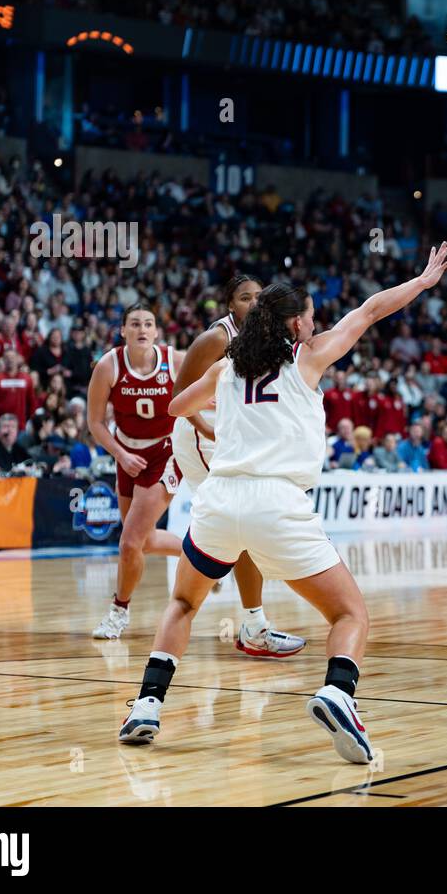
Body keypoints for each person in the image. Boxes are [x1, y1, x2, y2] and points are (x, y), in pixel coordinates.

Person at [119, 243, 447, 763]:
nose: (316, 325)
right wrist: (422, 282)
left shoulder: (226, 368)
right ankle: (338, 693)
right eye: (312, 318)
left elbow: (175, 405)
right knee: (349, 614)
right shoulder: (307, 358)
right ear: (296, 325)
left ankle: (146, 704)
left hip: (219, 500)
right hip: (278, 503)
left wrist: (221, 403)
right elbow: (369, 311)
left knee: (184, 603)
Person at [167, 274, 304, 659]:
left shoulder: (270, 338)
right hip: (201, 435)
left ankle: (229, 592)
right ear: (230, 305)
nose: (254, 303)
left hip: (232, 436)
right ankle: (251, 622)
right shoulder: (216, 338)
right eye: (245, 298)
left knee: (239, 527)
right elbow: (178, 395)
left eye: (260, 297)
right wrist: (206, 426)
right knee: (241, 524)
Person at [86, 304, 185, 639]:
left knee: (128, 542)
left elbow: (217, 377)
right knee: (140, 542)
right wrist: (121, 455)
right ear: (122, 331)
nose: (142, 329)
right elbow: (95, 423)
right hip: (126, 453)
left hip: (165, 453)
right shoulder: (108, 365)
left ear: (157, 332)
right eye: (135, 324)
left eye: (148, 324)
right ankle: (201, 557)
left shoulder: (176, 360)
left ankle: (118, 611)